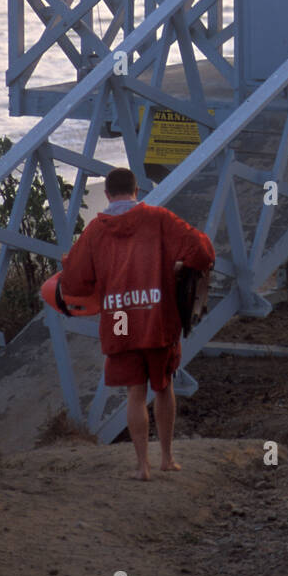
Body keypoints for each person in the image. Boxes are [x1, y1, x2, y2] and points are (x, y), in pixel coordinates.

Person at [59, 166, 215, 481]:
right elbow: (202, 251)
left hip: (119, 319)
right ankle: (167, 459)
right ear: (137, 191)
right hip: (156, 315)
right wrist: (181, 268)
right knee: (163, 385)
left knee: (134, 392)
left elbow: (74, 281)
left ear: (106, 195)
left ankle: (142, 466)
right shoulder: (159, 219)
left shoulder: (95, 231)